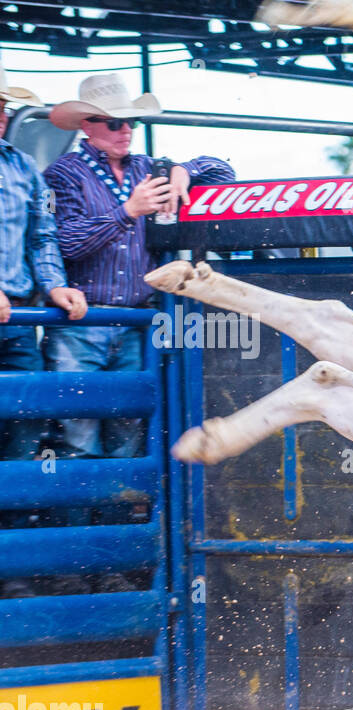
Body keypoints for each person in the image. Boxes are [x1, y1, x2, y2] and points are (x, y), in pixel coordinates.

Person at [42, 73, 235, 457]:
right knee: (78, 435)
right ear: (88, 125)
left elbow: (223, 171)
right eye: (114, 123)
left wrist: (184, 169)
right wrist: (128, 212)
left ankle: (114, 513)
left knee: (128, 435)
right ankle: (87, 516)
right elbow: (67, 242)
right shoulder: (63, 173)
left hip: (135, 322)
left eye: (130, 122)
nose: (125, 130)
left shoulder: (148, 168)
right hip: (82, 323)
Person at [0, 64, 88, 462]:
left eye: (2, 106)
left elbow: (43, 234)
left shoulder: (25, 169)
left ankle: (12, 515)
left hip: (15, 321)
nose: (0, 116)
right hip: (12, 315)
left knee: (29, 413)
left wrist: (54, 284)